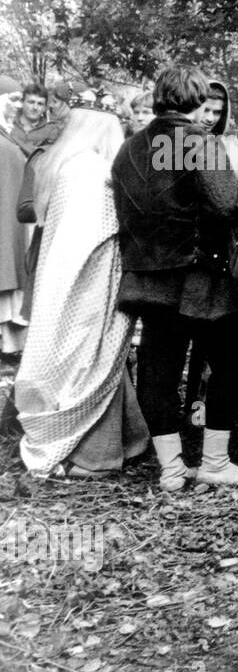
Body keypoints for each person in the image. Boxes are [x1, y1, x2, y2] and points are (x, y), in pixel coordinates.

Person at [110, 65, 238, 491]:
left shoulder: (130, 148)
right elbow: (228, 206)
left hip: (148, 279)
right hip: (200, 277)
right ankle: (213, 462)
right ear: (195, 101)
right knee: (230, 362)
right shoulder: (198, 141)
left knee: (158, 370)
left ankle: (172, 470)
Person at [14, 105, 149, 477]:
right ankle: (93, 457)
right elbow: (105, 231)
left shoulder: (66, 167)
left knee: (94, 359)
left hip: (67, 280)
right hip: (91, 282)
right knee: (93, 362)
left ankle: (124, 443)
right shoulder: (92, 172)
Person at [0, 76, 30, 355]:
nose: (18, 106)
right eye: (13, 99)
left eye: (20, 99)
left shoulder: (8, 135)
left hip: (12, 220)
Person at [10, 83, 63, 156]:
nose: (35, 107)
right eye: (31, 102)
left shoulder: (51, 130)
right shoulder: (8, 123)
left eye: (40, 104)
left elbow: (47, 157)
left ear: (45, 108)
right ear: (22, 102)